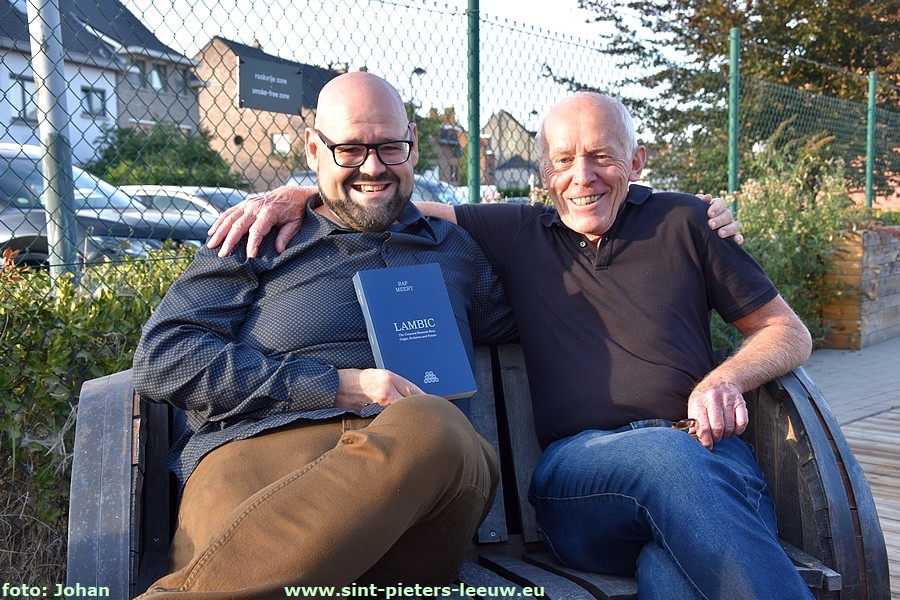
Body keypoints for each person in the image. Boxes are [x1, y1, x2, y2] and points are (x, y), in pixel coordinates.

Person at [210, 92, 814, 598]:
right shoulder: (517, 231)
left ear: (637, 158)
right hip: (583, 478)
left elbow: (787, 330)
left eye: (602, 156)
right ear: (544, 171)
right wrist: (301, 195)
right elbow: (383, 199)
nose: (583, 178)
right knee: (670, 461)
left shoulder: (689, 222)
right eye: (564, 160)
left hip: (707, 460)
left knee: (669, 572)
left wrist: (725, 377)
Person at [131, 71, 520, 598]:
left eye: (389, 147)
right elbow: (163, 357)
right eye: (351, 150)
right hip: (257, 466)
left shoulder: (457, 251)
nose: (374, 167)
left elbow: (570, 245)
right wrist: (337, 386)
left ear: (414, 146)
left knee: (435, 423)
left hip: (419, 494)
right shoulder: (259, 240)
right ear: (314, 149)